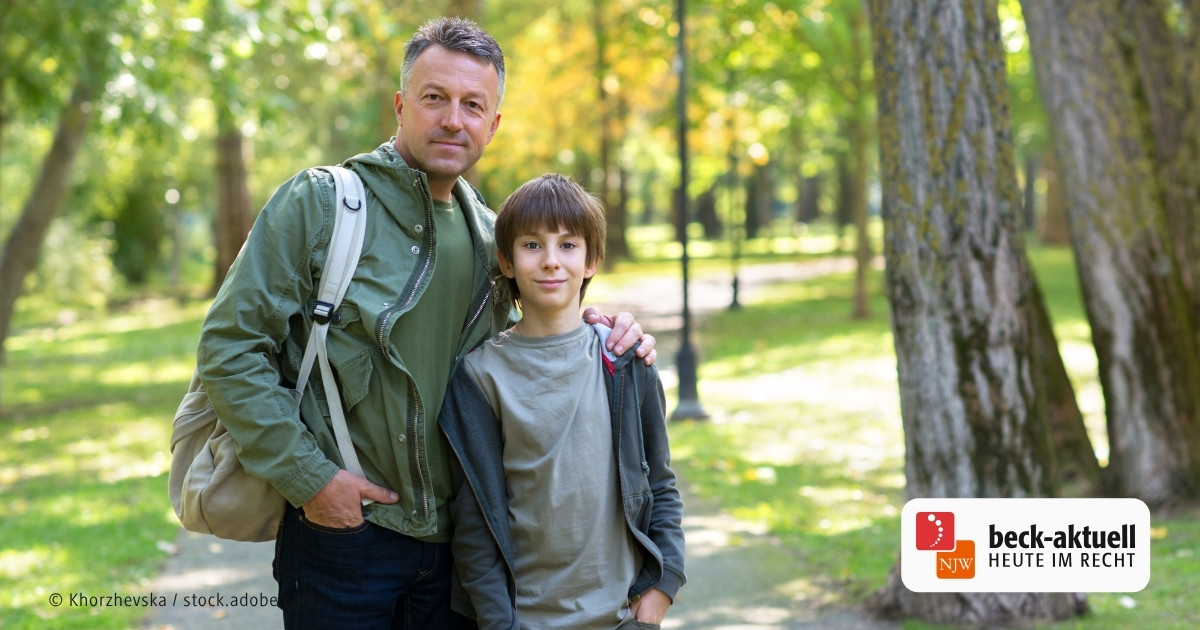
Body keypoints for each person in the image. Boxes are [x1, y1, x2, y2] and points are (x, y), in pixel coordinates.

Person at [195, 18, 656, 630]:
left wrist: (607, 326)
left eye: (473, 105)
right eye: (435, 97)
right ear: (400, 105)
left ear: (493, 125)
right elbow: (230, 349)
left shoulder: (494, 239)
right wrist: (312, 481)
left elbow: (543, 328)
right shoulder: (320, 204)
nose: (453, 120)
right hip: (341, 540)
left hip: (462, 558)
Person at [438, 173, 686, 629]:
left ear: (591, 260)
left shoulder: (625, 362)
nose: (551, 261)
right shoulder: (479, 376)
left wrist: (662, 589)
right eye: (532, 245)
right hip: (525, 619)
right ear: (506, 261)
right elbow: (474, 522)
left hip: (623, 617)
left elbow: (660, 483)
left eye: (568, 245)